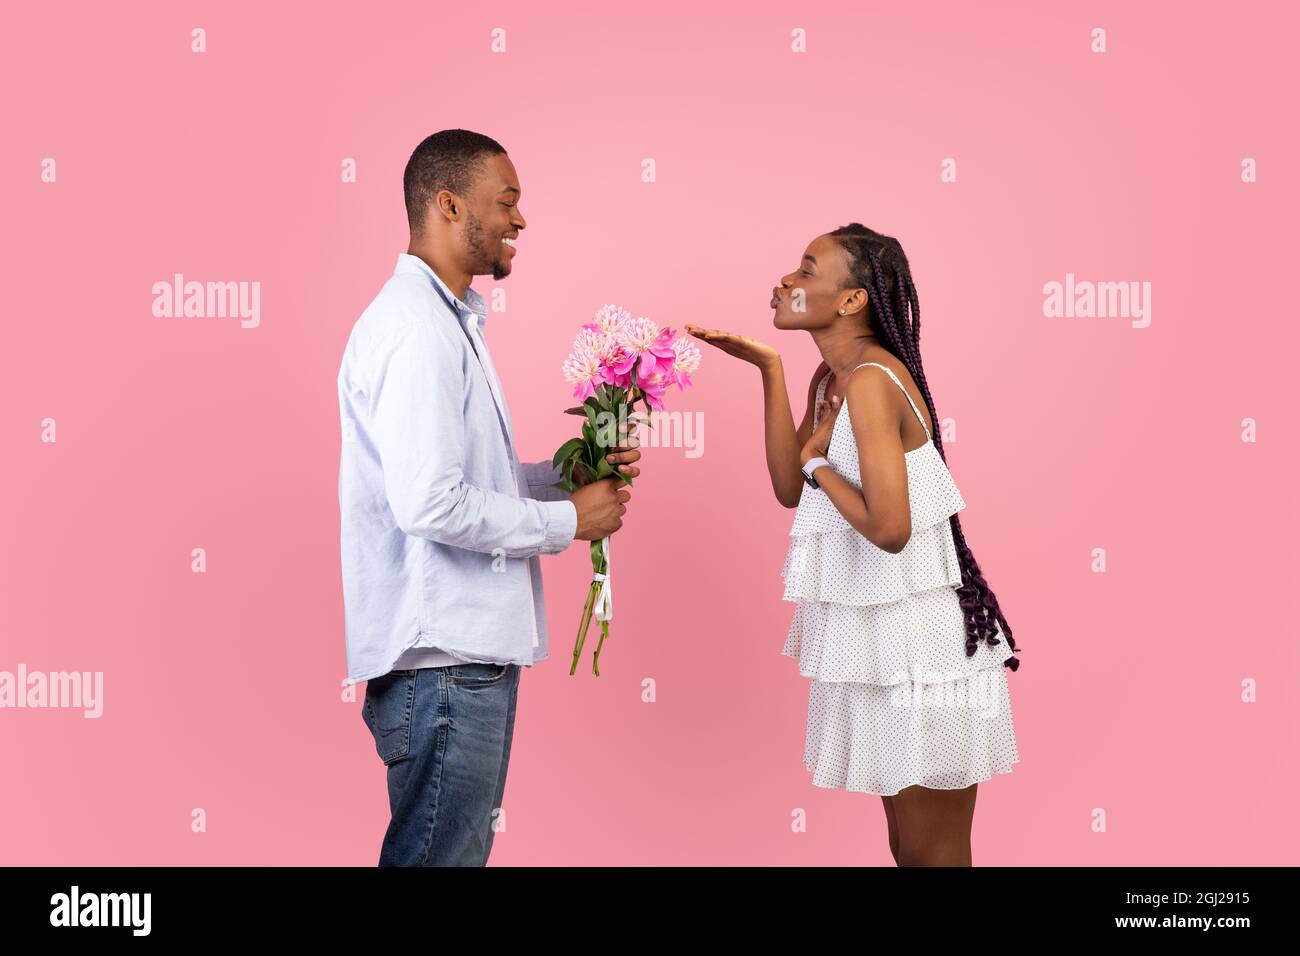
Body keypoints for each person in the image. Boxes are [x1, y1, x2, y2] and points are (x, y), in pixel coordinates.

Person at [337, 129, 641, 866]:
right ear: (448, 205)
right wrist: (567, 520)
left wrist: (563, 478)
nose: (520, 220)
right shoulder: (418, 331)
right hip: (446, 666)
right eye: (506, 202)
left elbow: (456, 479)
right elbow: (430, 504)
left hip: (456, 664)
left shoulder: (447, 320)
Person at [687, 223, 1021, 867]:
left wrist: (821, 467)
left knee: (935, 852)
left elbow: (889, 528)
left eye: (808, 269)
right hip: (879, 644)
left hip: (924, 649)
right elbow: (791, 486)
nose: (787, 279)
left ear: (851, 301)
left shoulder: (871, 382)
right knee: (909, 850)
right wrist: (770, 369)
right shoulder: (830, 378)